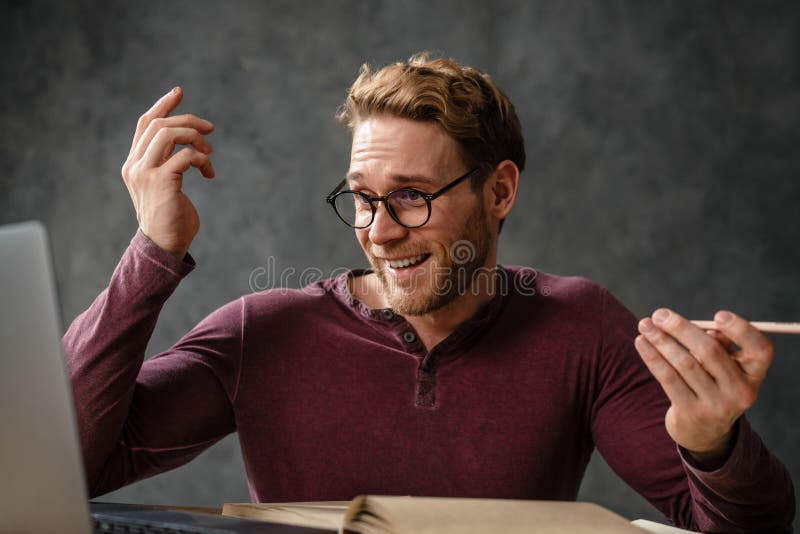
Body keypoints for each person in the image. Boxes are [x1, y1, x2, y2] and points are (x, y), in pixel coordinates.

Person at [63, 53, 794, 532]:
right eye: (362, 199)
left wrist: (712, 443)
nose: (379, 232)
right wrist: (154, 251)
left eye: (411, 197)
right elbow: (62, 468)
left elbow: (753, 529)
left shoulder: (582, 328)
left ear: (500, 190)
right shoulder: (265, 330)